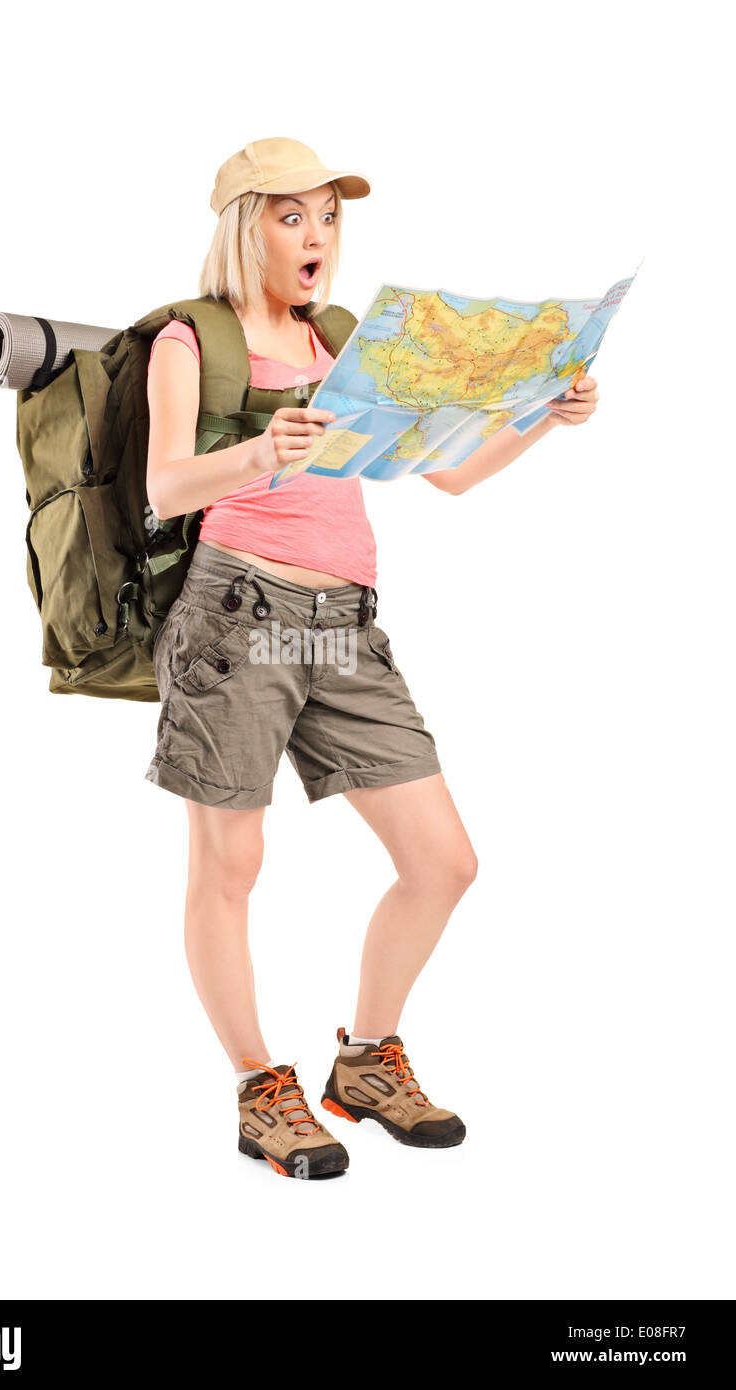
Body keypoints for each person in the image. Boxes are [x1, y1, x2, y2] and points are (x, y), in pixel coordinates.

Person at [144, 137, 600, 1180]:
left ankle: (365, 1059)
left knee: (443, 861)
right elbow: (164, 487)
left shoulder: (342, 342)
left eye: (329, 218)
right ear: (242, 226)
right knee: (230, 867)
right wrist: (263, 450)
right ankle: (262, 1086)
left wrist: (543, 416)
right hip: (235, 615)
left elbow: (445, 477)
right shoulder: (192, 341)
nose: (317, 238)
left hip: (344, 622)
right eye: (291, 217)